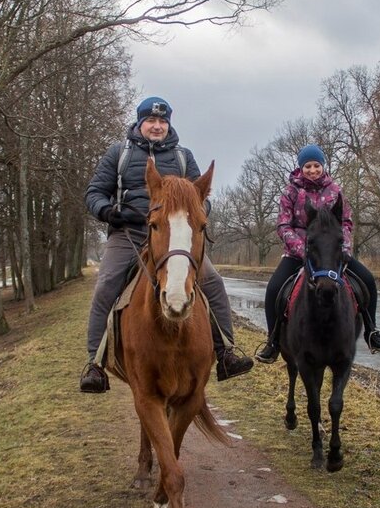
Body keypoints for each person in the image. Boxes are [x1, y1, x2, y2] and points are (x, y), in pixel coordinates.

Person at [80, 96, 254, 392]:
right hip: (130, 233)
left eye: (162, 121)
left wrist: (197, 215)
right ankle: (95, 364)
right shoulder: (117, 154)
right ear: (140, 123)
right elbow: (94, 192)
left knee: (212, 281)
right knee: (107, 282)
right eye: (151, 120)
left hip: (174, 235)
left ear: (168, 124)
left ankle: (226, 351)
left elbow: (201, 196)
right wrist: (107, 211)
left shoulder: (183, 157)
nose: (157, 126)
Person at [255, 144, 380, 363]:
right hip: (297, 253)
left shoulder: (335, 190)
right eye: (307, 166)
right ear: (301, 168)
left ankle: (372, 331)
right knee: (273, 289)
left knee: (367, 280)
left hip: (331, 253)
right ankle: (273, 341)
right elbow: (283, 225)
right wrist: (302, 249)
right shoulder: (290, 192)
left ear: (322, 166)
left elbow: (345, 222)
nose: (312, 170)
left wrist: (344, 247)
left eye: (316, 165)